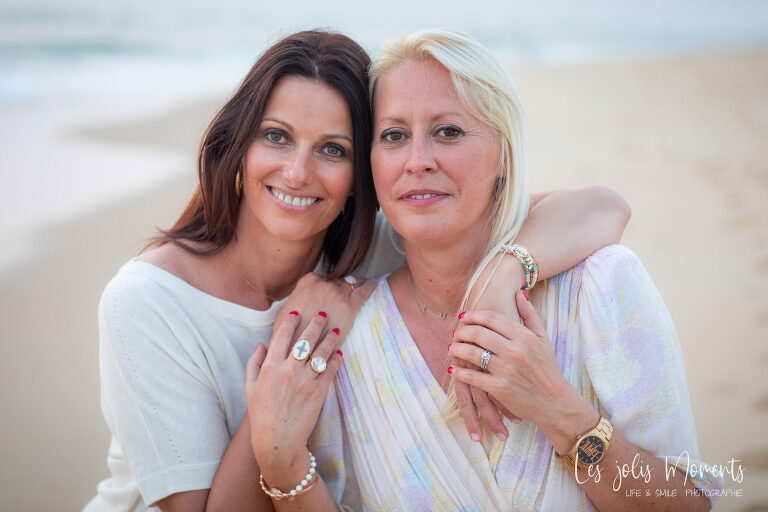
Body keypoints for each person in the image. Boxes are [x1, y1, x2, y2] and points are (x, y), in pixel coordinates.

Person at [85, 30, 631, 512]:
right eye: (276, 136)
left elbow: (602, 207)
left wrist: (501, 277)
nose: (298, 173)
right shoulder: (148, 301)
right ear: (238, 145)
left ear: (360, 171)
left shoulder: (374, 247)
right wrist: (296, 342)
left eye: (332, 149)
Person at [244, 30, 724, 511]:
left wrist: (561, 414)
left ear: (503, 153)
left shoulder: (601, 287)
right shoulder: (344, 338)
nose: (417, 161)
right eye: (393, 135)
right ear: (370, 162)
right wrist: (281, 465)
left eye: (448, 131)